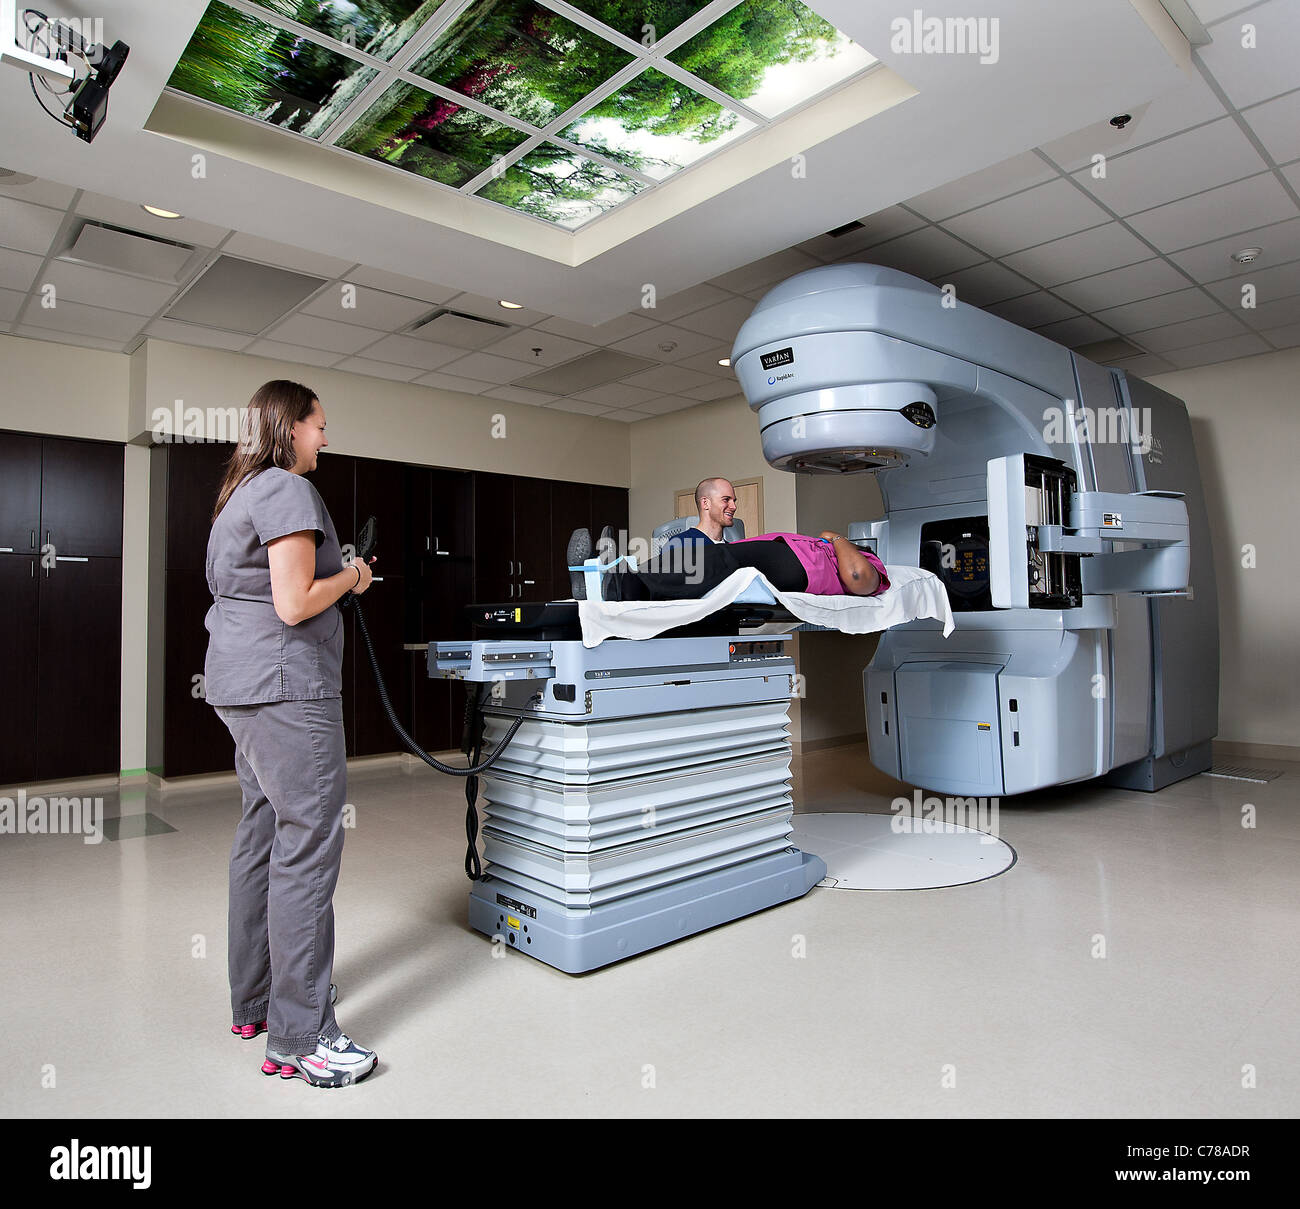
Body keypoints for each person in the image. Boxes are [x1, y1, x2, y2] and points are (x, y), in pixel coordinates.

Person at [203, 379, 378, 1089]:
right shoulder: (285, 488)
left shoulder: (235, 495)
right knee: (307, 843)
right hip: (286, 688)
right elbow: (295, 598)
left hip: (238, 686)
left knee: (262, 832)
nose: (324, 439)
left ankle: (255, 1003)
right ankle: (303, 1036)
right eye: (319, 426)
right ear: (291, 426)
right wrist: (354, 573)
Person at [570, 525, 889, 601]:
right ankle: (608, 577)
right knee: (707, 561)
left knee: (711, 560)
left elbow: (858, 576)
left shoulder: (871, 563)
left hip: (795, 567)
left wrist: (837, 538)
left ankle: (615, 584)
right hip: (785, 560)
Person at [660, 478, 737, 549]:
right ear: (705, 503)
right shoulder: (679, 545)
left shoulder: (731, 551)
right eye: (726, 500)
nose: (734, 507)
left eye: (734, 501)